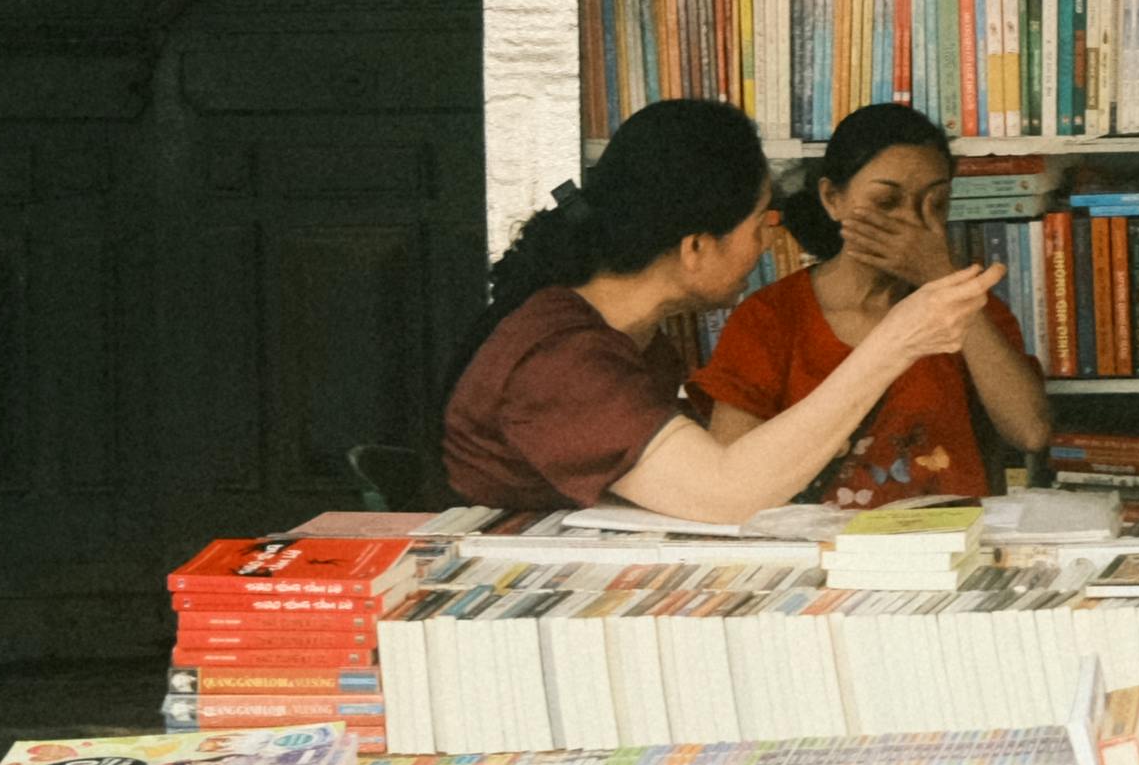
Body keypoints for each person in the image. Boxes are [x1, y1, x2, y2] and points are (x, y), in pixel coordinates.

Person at [439, 95, 1005, 519]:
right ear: (695, 248)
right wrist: (896, 340)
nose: (766, 244)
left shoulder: (633, 339)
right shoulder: (559, 360)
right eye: (759, 223)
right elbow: (727, 491)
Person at [695, 99, 1048, 506]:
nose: (913, 223)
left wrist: (945, 281)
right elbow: (730, 471)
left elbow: (1030, 432)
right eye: (886, 203)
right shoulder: (770, 318)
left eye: (935, 204)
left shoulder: (968, 310)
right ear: (832, 199)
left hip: (948, 546)